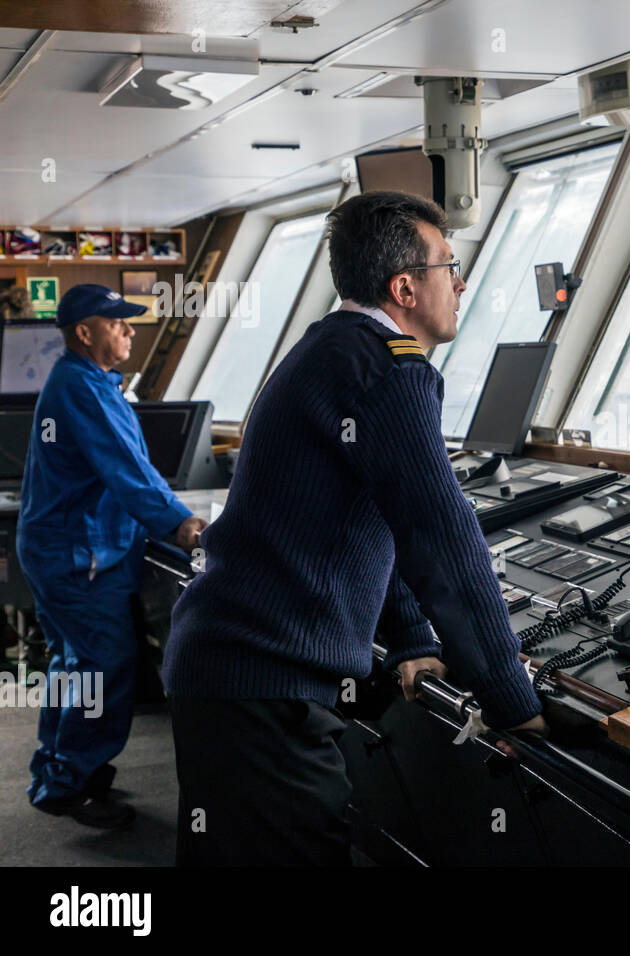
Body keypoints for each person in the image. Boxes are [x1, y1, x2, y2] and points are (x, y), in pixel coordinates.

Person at [163, 191, 546, 866]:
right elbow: (441, 539)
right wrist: (514, 702)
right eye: (448, 266)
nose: (460, 283)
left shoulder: (335, 347)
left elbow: (376, 517)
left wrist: (409, 637)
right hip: (263, 685)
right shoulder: (387, 369)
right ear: (404, 287)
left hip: (232, 672)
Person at [17, 283, 207, 829]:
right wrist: (180, 524)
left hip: (67, 547)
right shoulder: (83, 389)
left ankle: (60, 771)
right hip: (80, 555)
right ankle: (73, 776)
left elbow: (126, 470)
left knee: (71, 663)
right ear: (84, 332)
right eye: (116, 321)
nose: (129, 329)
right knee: (100, 666)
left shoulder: (90, 382)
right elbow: (128, 471)